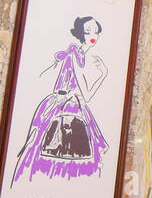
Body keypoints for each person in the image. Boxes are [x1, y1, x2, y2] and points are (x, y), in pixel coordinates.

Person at [13, 17, 109, 183]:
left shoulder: (80, 55)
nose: (93, 35)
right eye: (87, 32)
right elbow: (86, 94)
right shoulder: (75, 55)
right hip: (66, 104)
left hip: (63, 103)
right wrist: (103, 74)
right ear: (81, 35)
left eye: (96, 31)